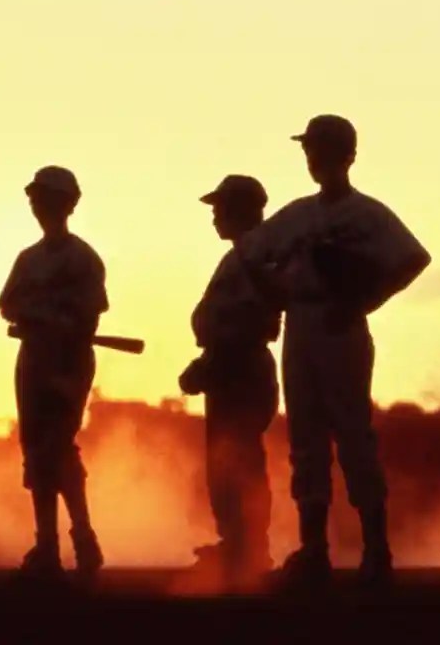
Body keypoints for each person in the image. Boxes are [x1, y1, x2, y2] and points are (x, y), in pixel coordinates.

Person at [236, 114, 431, 589]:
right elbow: (250, 251)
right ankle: (314, 550)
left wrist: (366, 300)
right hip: (301, 322)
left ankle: (376, 550)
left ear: (347, 155)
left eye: (322, 148)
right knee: (305, 439)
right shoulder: (298, 214)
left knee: (353, 435)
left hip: (341, 325)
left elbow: (413, 258)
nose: (313, 157)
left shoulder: (366, 213)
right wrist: (275, 292)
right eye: (310, 149)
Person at [0, 165, 108, 582]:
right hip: (34, 359)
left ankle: (81, 539)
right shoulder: (29, 259)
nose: (38, 206)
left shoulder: (82, 258)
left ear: (68, 204)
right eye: (36, 199)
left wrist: (54, 320)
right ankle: (47, 545)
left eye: (46, 199)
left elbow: (90, 314)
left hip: (67, 361)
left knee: (57, 447)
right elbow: (8, 305)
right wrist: (36, 316)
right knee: (36, 452)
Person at [179, 175, 282, 590]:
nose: (214, 217)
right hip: (229, 368)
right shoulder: (243, 255)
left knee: (238, 462)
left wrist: (211, 363)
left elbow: (247, 321)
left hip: (240, 368)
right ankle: (237, 545)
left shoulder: (257, 256)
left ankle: (249, 551)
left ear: (241, 210)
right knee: (227, 463)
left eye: (220, 209)